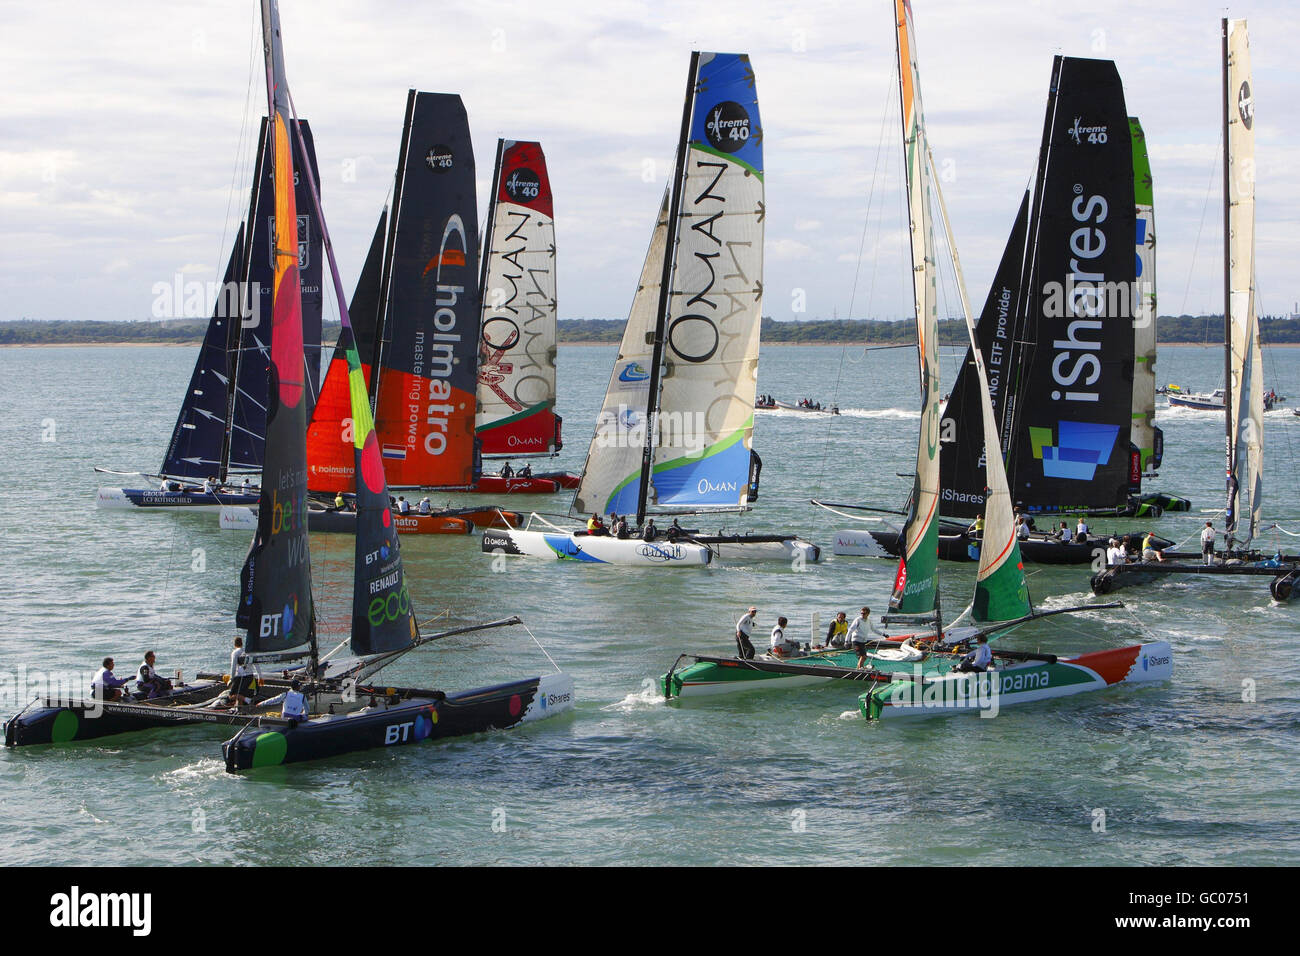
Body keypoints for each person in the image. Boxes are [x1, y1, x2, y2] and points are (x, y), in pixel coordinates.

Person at [227, 636, 257, 707]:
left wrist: (231, 679)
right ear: (242, 643)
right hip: (250, 675)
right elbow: (256, 664)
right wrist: (259, 675)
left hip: (240, 677)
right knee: (240, 694)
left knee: (231, 696)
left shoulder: (235, 652)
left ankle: (247, 700)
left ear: (235, 644)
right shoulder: (248, 651)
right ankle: (239, 708)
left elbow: (233, 667)